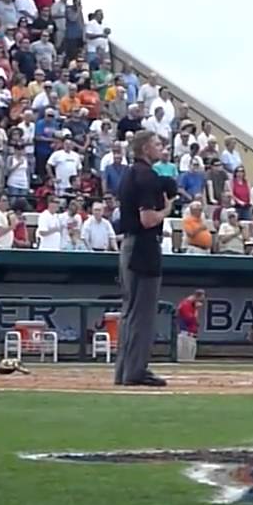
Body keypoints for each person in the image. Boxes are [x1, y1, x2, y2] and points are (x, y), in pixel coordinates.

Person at [114, 130, 176, 387]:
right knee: (142, 312)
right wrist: (167, 208)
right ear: (144, 149)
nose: (161, 148)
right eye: (157, 144)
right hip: (143, 246)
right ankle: (135, 370)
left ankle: (125, 370)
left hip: (130, 244)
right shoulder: (146, 175)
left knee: (129, 311)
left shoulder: (130, 173)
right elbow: (148, 219)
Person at [174, 290, 204, 362]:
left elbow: (195, 323)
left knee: (190, 362)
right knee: (184, 362)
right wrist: (196, 309)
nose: (200, 302)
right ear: (196, 297)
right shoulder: (186, 304)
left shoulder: (191, 305)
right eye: (200, 300)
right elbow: (190, 320)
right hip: (185, 336)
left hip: (191, 337)